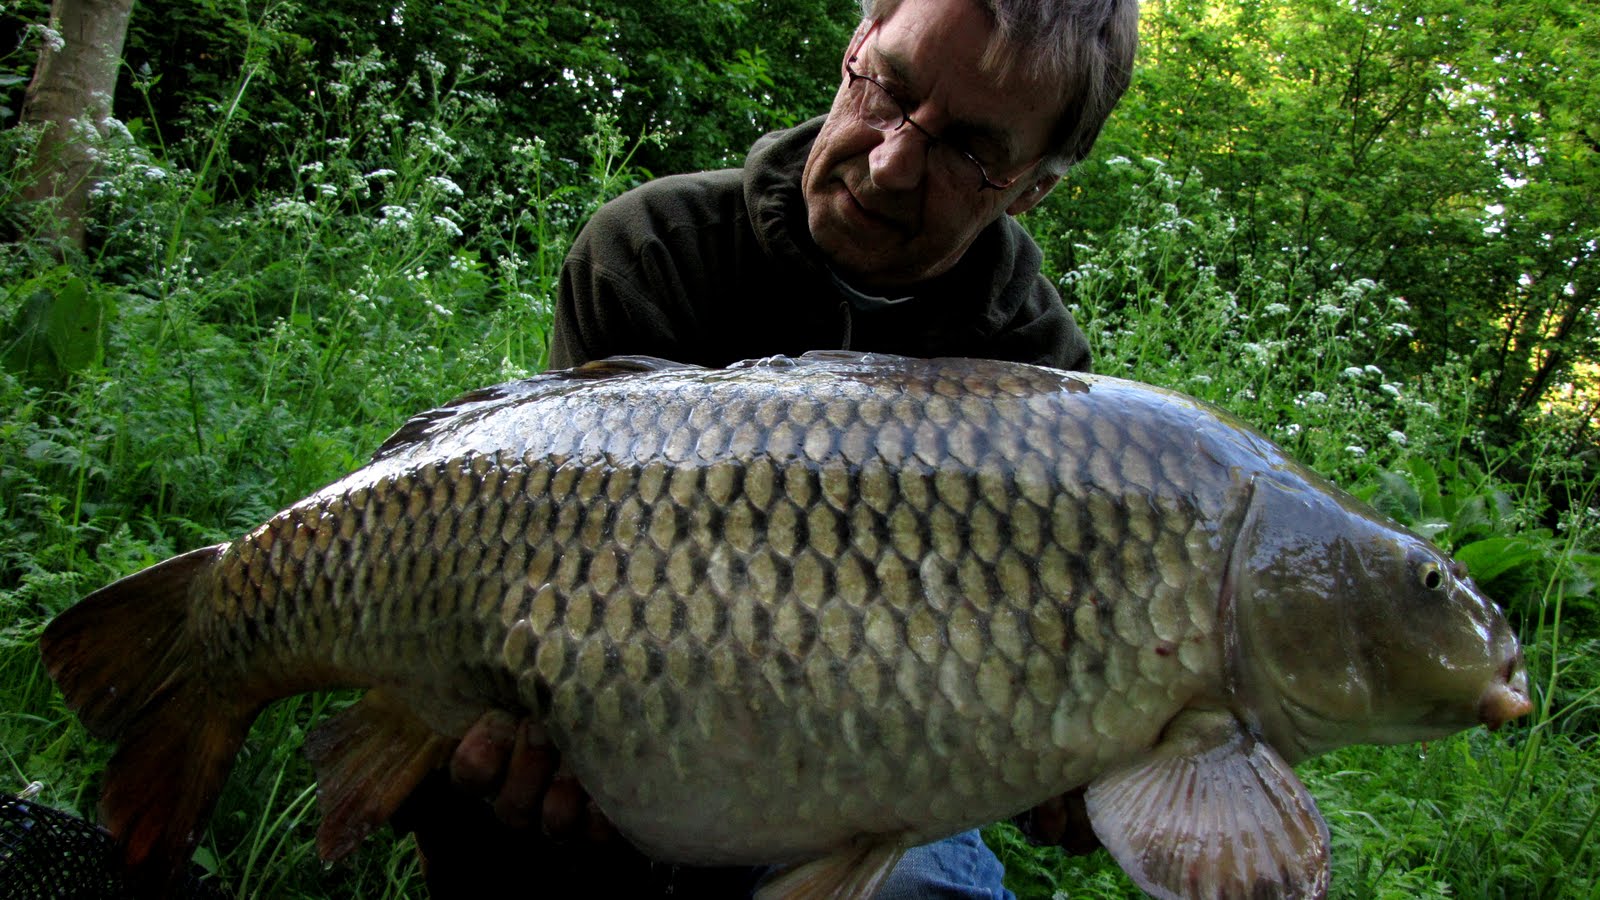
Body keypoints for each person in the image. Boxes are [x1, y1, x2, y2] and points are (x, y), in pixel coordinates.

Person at [394, 0, 1139, 895]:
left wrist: (1086, 766)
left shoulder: (1040, 379)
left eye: (968, 150)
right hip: (632, 732)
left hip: (873, 784)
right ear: (855, 45)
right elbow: (559, 571)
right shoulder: (654, 250)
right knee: (482, 777)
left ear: (1030, 188)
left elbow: (1011, 684)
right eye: (888, 88)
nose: (893, 160)